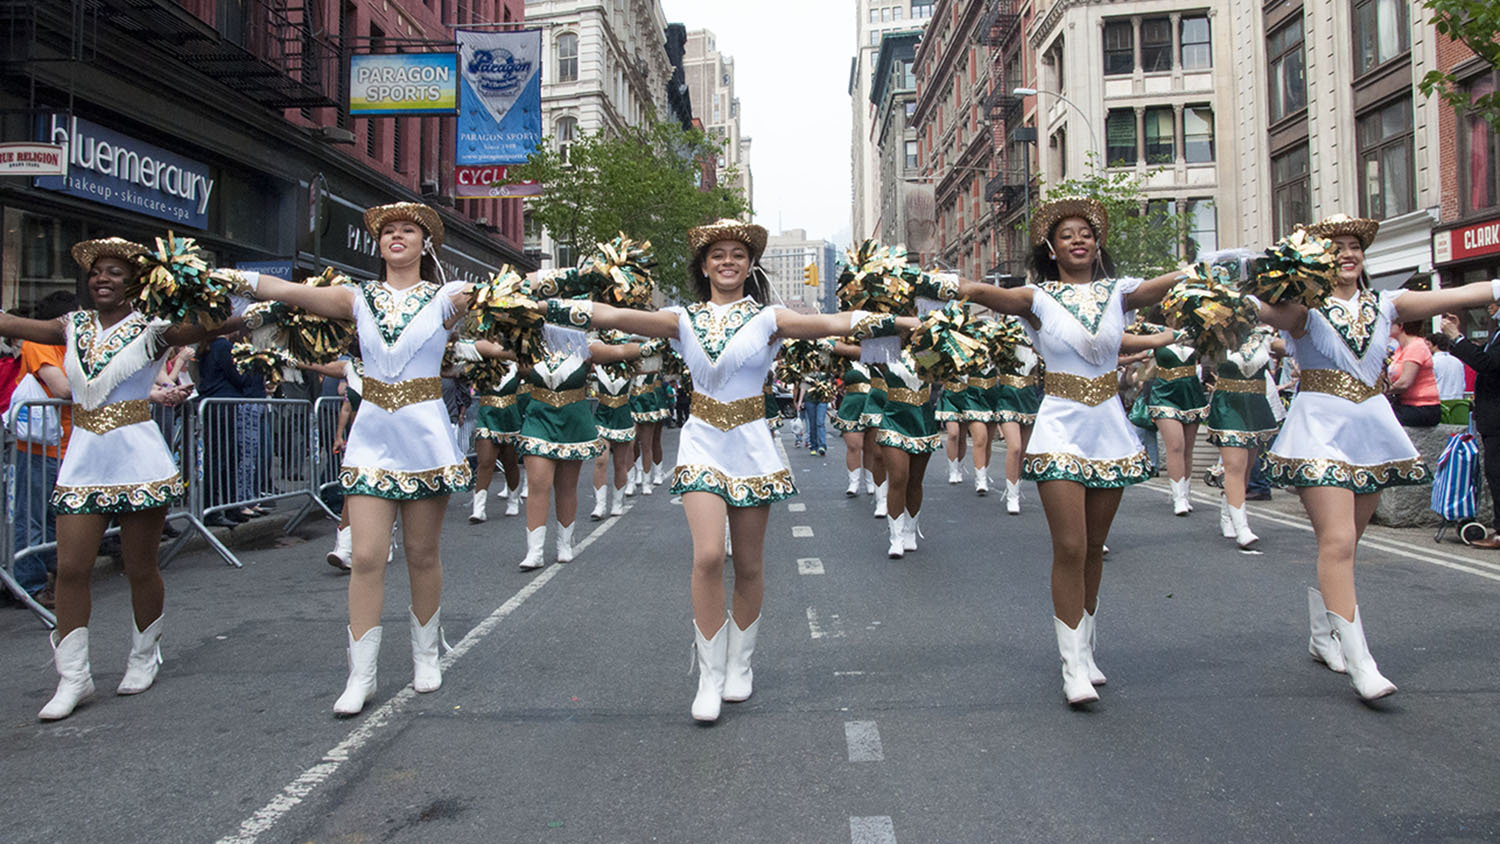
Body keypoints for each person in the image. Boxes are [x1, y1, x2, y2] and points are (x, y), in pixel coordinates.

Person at [536, 218, 911, 723]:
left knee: (750, 564)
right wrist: (545, 304)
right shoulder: (681, 319)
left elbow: (835, 324)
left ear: (750, 264)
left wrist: (911, 322)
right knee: (710, 555)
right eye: (718, 254)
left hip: (753, 445)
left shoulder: (770, 319)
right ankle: (709, 677)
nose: (728, 260)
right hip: (702, 444)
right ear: (704, 265)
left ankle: (740, 666)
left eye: (737, 253)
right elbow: (613, 314)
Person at [241, 202, 474, 715]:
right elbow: (287, 290)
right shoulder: (357, 297)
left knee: (422, 554)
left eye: (407, 230)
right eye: (388, 231)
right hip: (372, 436)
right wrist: (231, 278)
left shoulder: (446, 297)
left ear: (424, 243)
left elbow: (487, 302)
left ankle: (425, 655)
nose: (396, 237)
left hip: (423, 438)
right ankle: (361, 674)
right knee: (365, 556)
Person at [1259, 213, 1500, 701]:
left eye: (1355, 246)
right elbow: (1262, 311)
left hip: (1370, 431)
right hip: (1319, 430)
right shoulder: (1304, 309)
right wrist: (1219, 299)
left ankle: (1323, 632)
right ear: (1318, 260)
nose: (1348, 253)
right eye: (1337, 247)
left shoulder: (1387, 303)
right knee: (1340, 540)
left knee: (1349, 541)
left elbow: (1463, 295)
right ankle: (1360, 661)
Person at [959, 196, 1185, 705]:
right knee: (1071, 546)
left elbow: (1156, 287)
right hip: (1059, 426)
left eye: (1086, 232)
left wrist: (1197, 273)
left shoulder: (1119, 292)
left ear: (1097, 242)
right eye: (1067, 234)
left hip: (1109, 429)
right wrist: (958, 287)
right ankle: (1071, 666)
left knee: (1095, 549)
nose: (1078, 239)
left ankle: (1086, 647)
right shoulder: (1037, 297)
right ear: (1052, 248)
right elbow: (992, 296)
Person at [1, 237, 235, 720]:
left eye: (114, 272)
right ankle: (74, 677)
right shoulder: (70, 326)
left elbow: (212, 324)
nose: (101, 279)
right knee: (70, 568)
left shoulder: (153, 331)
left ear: (135, 282)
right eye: (95, 273)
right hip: (84, 458)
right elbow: (11, 323)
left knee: (139, 566)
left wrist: (252, 312)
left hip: (137, 457)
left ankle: (144, 654)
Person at [10, 290, 78, 605]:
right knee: (33, 516)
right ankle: (32, 584)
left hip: (68, 445)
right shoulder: (39, 345)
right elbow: (62, 388)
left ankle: (54, 574)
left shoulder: (73, 347)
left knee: (56, 516)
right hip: (39, 447)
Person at [1205, 327, 1283, 549]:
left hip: (1256, 405)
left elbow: (1294, 344)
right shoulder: (1214, 335)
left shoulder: (1264, 336)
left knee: (1247, 467)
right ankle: (1243, 528)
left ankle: (1227, 513)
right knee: (1235, 466)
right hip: (1228, 406)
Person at [1441, 310, 1500, 547]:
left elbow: (1488, 364)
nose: (1491, 309)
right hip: (1491, 415)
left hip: (1497, 417)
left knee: (1497, 473)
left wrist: (1456, 338)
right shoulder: (1496, 333)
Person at [877, 355, 941, 558]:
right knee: (898, 478)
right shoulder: (885, 352)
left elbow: (942, 375)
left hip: (922, 421)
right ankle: (895, 538)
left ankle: (910, 531)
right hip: (894, 420)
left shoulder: (927, 352)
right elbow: (856, 346)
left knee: (915, 481)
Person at [1146, 322, 1209, 515]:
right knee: (1175, 445)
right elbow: (1144, 364)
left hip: (1191, 393)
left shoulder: (1197, 331)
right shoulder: (1153, 331)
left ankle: (1186, 494)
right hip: (1165, 393)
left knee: (1187, 448)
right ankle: (1178, 498)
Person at [464, 340, 523, 523]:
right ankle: (478, 509)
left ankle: (513, 500)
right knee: (485, 462)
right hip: (487, 418)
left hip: (510, 420)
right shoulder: (482, 364)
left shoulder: (517, 366)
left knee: (510, 463)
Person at [992, 316, 1043, 514]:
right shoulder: (1002, 344)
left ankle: (1015, 488)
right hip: (1007, 399)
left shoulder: (1035, 345)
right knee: (1015, 447)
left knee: (1023, 452)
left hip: (1028, 399)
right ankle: (1011, 496)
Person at [830, 351, 884, 497]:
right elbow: (833, 372)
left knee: (871, 448)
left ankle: (870, 482)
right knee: (854, 446)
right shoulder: (845, 359)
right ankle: (853, 483)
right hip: (852, 407)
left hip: (875, 406)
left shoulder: (881, 357)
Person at [1386, 320, 1441, 427]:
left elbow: (1404, 383)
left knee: (1379, 420)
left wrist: (1381, 392)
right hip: (1405, 405)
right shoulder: (1399, 349)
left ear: (1401, 326)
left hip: (1423, 408)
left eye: (1389, 323)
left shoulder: (1416, 346)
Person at [796, 369, 834, 456]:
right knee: (812, 423)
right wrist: (800, 402)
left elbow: (829, 384)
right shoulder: (807, 372)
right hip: (810, 399)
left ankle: (822, 445)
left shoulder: (825, 371)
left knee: (820, 422)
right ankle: (813, 446)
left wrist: (831, 399)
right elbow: (803, 387)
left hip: (822, 399)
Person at [1427, 333, 1467, 402]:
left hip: (1439, 402)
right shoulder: (1458, 362)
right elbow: (1463, 385)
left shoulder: (1432, 362)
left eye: (1428, 344)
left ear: (1435, 346)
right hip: (1457, 403)